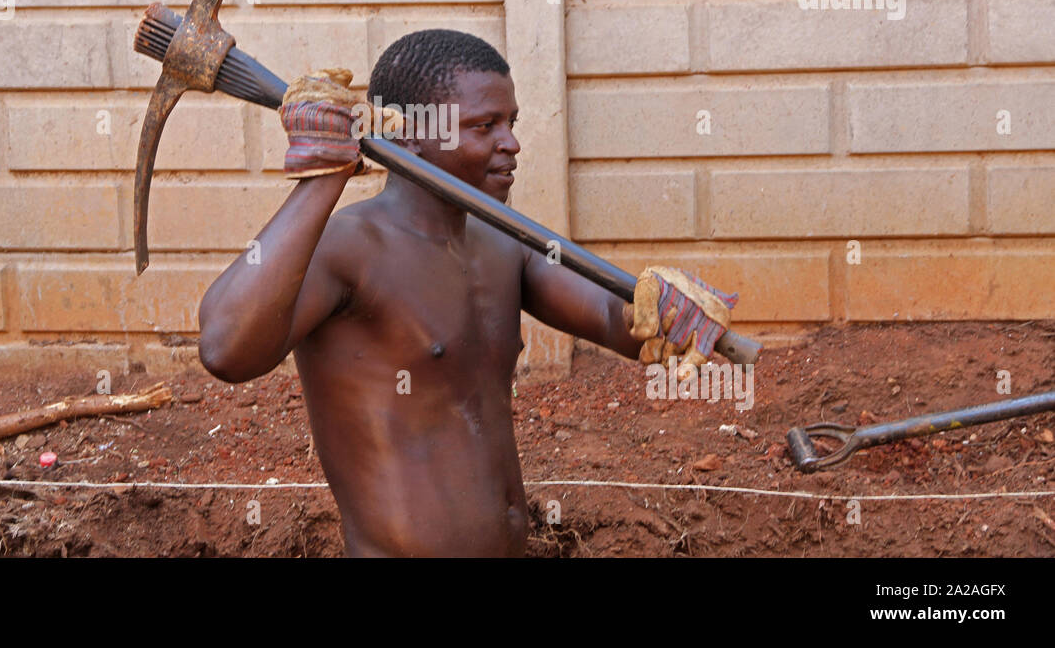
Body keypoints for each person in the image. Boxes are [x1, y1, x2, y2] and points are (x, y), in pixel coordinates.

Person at [197, 29, 736, 557]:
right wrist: (322, 174)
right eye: (485, 126)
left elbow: (611, 317)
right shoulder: (346, 249)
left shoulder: (505, 240)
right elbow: (226, 349)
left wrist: (664, 308)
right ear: (407, 134)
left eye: (511, 122)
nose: (512, 142)